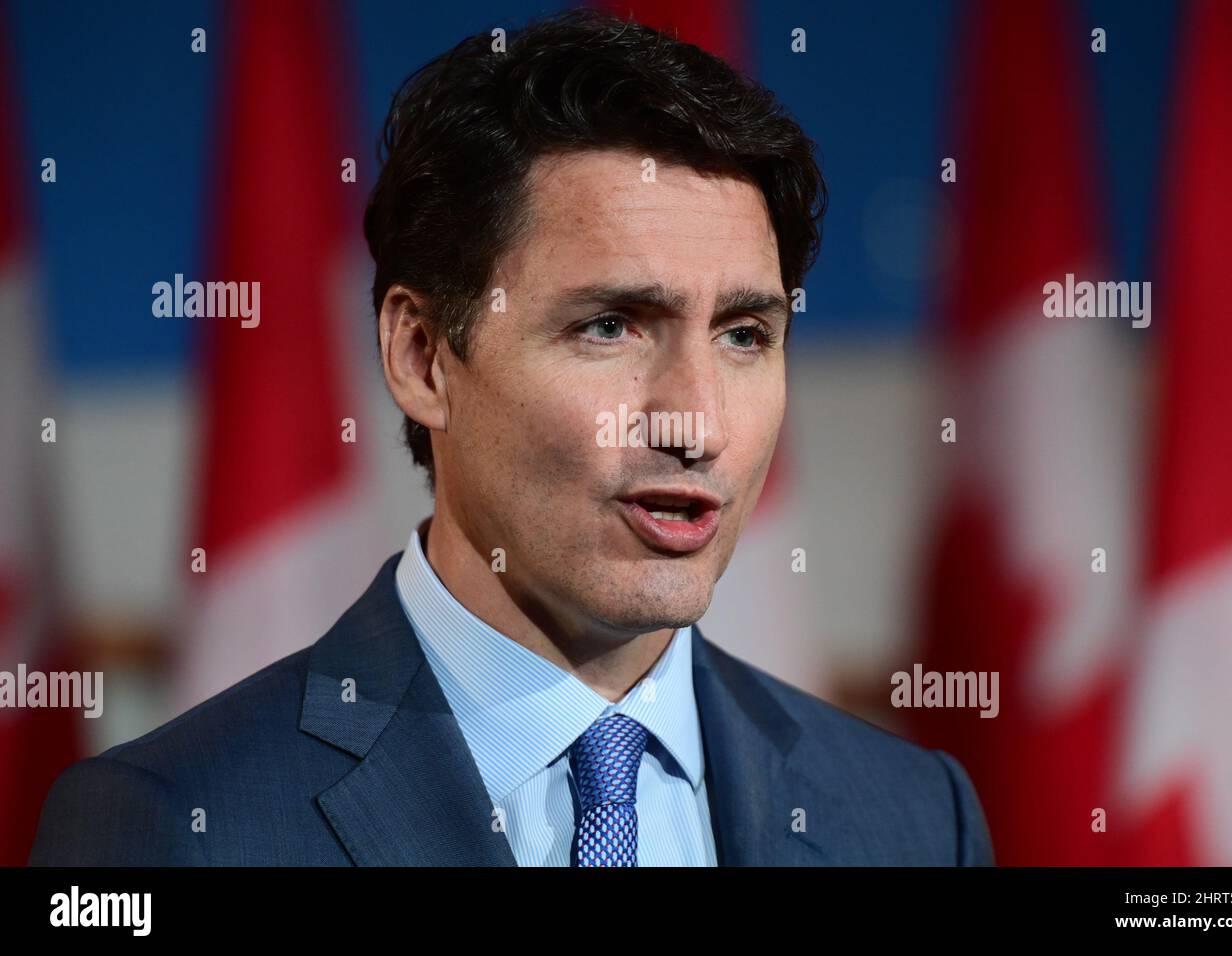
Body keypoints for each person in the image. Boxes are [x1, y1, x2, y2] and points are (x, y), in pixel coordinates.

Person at [29, 8, 993, 866]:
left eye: (745, 335)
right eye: (609, 326)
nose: (696, 422)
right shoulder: (171, 826)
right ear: (421, 357)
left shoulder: (913, 819)